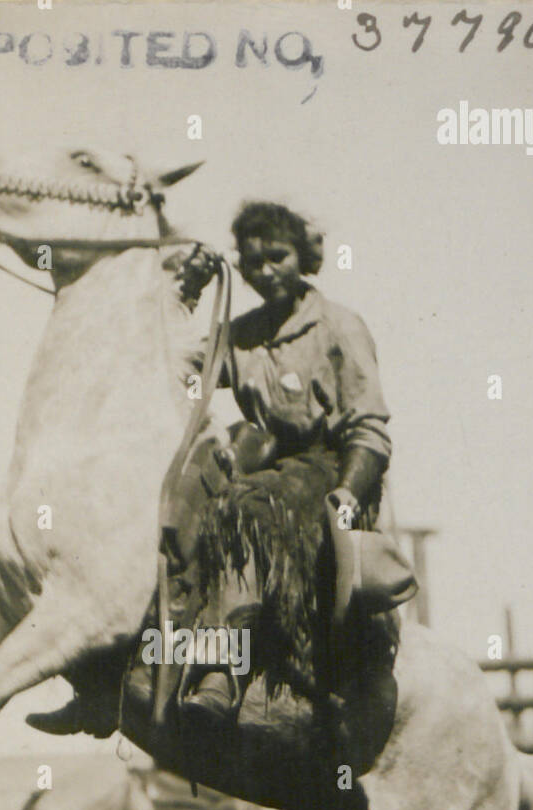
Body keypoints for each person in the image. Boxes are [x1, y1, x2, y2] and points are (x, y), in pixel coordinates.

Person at [172, 200, 406, 725]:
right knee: (182, 499)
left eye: (277, 257)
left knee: (245, 508)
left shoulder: (340, 328)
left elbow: (369, 426)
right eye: (252, 263)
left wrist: (348, 494)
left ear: (304, 257)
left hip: (332, 467)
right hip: (270, 464)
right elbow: (174, 364)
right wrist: (186, 291)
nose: (265, 271)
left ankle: (222, 669)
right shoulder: (242, 333)